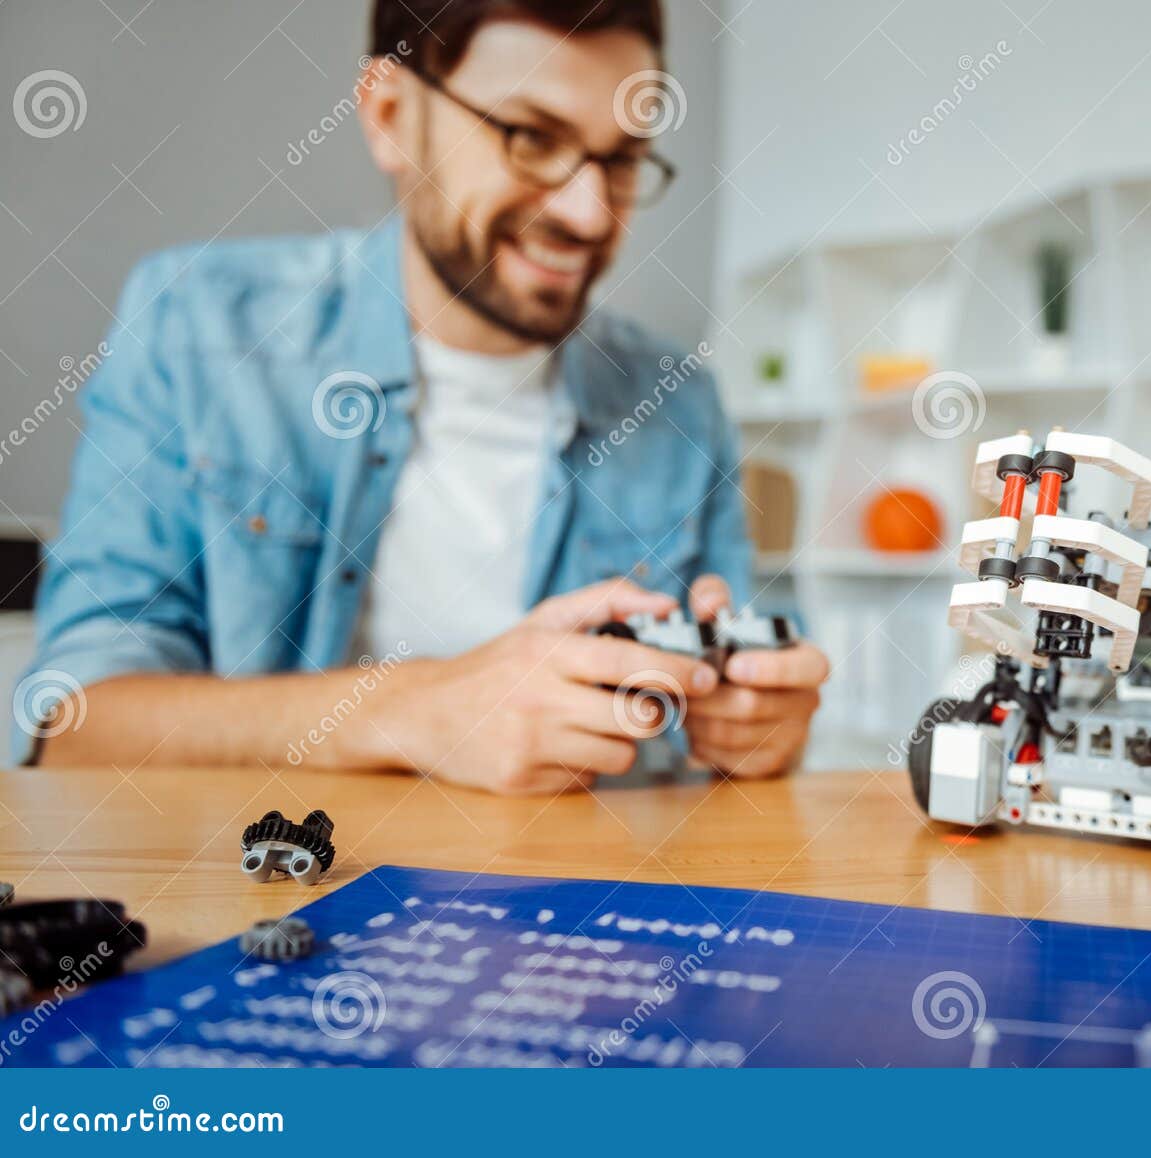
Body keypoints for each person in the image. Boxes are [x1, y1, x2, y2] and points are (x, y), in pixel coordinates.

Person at [12, 0, 828, 793]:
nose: (586, 213)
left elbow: (714, 741)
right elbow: (73, 722)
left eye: (618, 159)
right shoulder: (200, 326)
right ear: (392, 115)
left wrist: (752, 731)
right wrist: (417, 709)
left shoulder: (679, 406)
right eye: (530, 138)